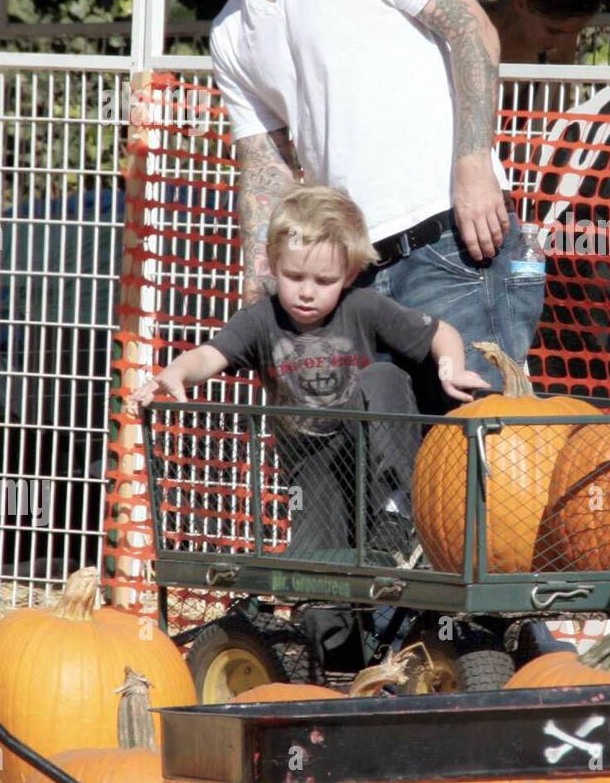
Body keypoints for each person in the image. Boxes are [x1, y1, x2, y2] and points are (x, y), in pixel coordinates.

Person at [135, 0, 542, 408]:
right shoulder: (229, 32)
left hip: (453, 243)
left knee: (483, 469)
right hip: (351, 279)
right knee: (377, 485)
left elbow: (472, 30)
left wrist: (473, 162)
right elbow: (267, 167)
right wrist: (261, 293)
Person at [128, 186, 487, 556]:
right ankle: (328, 610)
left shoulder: (364, 306)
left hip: (369, 454)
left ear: (349, 274)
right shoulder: (260, 320)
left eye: (324, 281)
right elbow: (210, 354)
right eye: (294, 276)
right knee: (312, 568)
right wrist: (177, 370)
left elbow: (440, 333)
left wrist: (450, 369)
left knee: (383, 376)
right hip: (310, 467)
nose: (307, 293)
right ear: (273, 264)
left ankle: (401, 509)